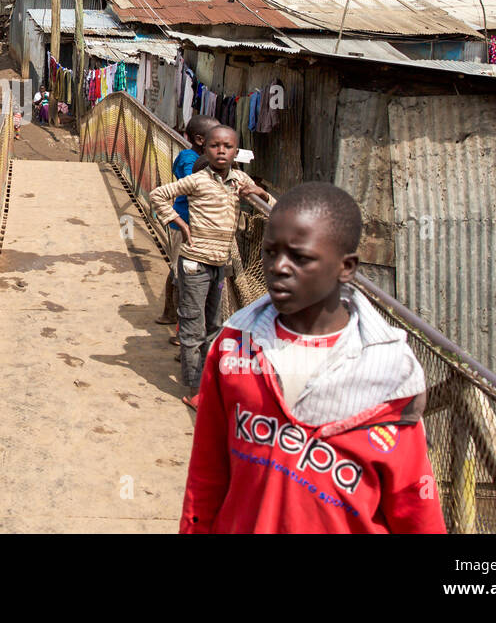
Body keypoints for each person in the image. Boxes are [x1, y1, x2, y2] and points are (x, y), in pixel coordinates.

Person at [179, 183, 446, 534]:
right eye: (270, 252)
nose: (279, 267)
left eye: (300, 257)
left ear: (346, 267)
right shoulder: (234, 348)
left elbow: (413, 503)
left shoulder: (389, 373)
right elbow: (207, 470)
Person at [149, 125, 271, 410]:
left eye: (227, 147)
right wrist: (177, 222)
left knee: (214, 326)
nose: (221, 151)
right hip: (194, 263)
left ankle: (208, 380)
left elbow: (267, 203)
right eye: (215, 146)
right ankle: (194, 389)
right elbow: (158, 195)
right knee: (193, 327)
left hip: (220, 264)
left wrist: (260, 193)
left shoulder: (239, 180)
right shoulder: (197, 180)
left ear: (235, 152)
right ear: (205, 149)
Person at [159, 116, 221, 332]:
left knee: (178, 269)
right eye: (216, 142)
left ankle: (169, 314)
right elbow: (192, 181)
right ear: (200, 140)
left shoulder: (197, 157)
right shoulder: (189, 158)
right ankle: (181, 328)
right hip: (185, 224)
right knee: (181, 275)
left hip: (194, 224)